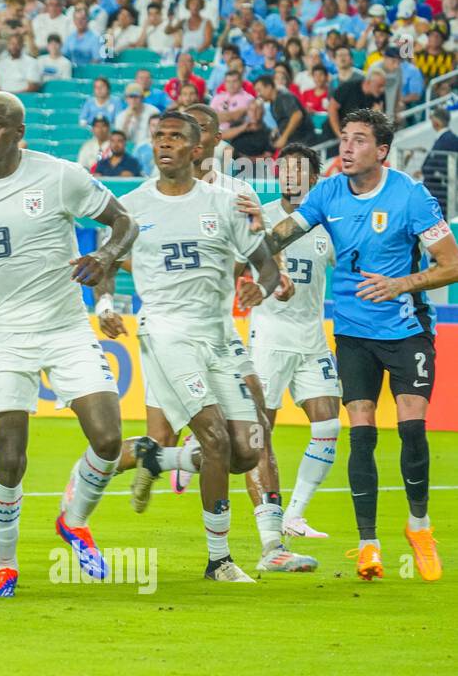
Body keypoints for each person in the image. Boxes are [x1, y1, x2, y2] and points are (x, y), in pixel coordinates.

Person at [0, 92, 138, 597]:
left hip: (65, 328)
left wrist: (106, 256)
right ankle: (5, 563)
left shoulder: (59, 175)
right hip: (4, 335)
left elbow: (126, 222)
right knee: (11, 457)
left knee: (107, 439)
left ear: (18, 133)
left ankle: (73, 521)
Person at [262, 110, 458, 582]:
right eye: (343, 139)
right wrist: (259, 263)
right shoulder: (327, 193)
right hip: (352, 333)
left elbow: (451, 263)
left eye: (358, 140)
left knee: (412, 431)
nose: (346, 148)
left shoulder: (410, 196)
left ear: (382, 151)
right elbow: (277, 238)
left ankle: (419, 527)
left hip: (406, 328)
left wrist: (401, 284)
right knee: (362, 434)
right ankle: (368, 545)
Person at [97, 112, 282, 582]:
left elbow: (266, 264)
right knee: (215, 438)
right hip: (165, 332)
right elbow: (105, 262)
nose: (165, 144)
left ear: (196, 149)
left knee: (247, 450)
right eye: (158, 135)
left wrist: (262, 286)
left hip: (218, 338)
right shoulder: (130, 207)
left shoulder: (226, 203)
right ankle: (219, 560)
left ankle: (153, 457)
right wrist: (104, 304)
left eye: (176, 137)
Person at [241, 144, 337, 539]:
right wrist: (272, 281)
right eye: (284, 169)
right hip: (270, 338)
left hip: (312, 338)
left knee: (329, 425)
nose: (289, 175)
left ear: (314, 178)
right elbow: (248, 261)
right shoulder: (260, 218)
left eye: (299, 169)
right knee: (259, 434)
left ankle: (295, 514)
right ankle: (270, 527)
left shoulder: (328, 224)